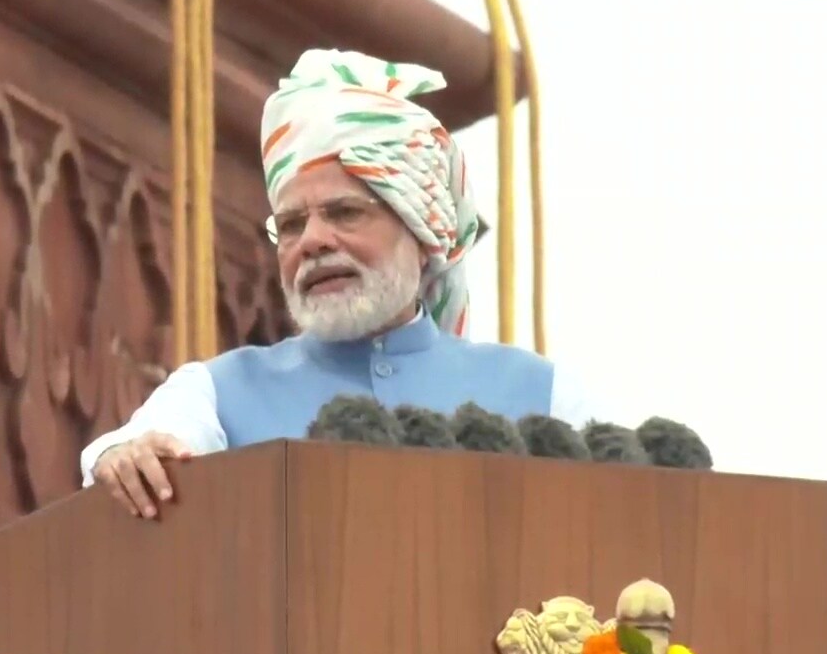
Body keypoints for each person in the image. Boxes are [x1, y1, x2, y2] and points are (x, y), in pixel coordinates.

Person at [82, 49, 604, 517]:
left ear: (422, 234)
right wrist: (124, 457)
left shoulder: (543, 396)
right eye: (290, 225)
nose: (312, 241)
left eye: (344, 213)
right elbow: (141, 453)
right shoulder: (218, 394)